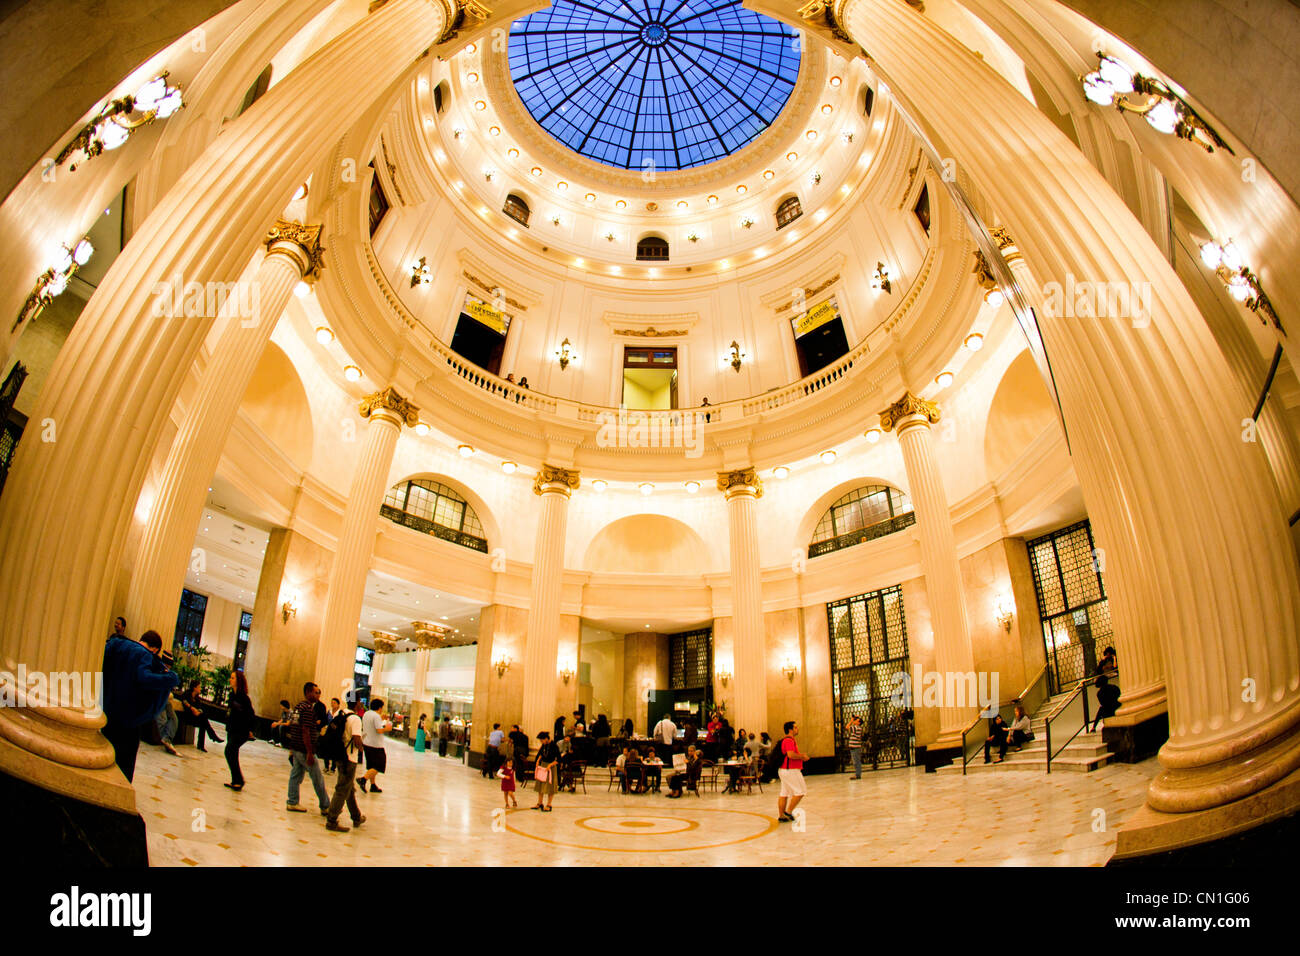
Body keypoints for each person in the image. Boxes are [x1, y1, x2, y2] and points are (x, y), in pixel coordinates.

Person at [101, 629, 180, 782]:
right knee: (125, 762)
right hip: (129, 719)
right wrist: (171, 678)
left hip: (108, 712)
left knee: (105, 753)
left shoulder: (118, 644)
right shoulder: (144, 655)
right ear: (155, 649)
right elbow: (144, 678)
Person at [285, 682, 330, 814]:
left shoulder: (299, 707)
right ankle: (325, 805)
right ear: (308, 693)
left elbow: (294, 727)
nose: (318, 695)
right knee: (317, 778)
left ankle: (292, 801)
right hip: (305, 750)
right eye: (316, 692)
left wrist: (292, 748)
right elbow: (305, 731)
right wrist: (310, 752)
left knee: (295, 775)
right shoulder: (308, 709)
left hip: (297, 748)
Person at [324, 698, 366, 833]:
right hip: (349, 757)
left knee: (349, 788)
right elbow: (357, 738)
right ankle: (332, 820)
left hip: (339, 754)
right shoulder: (355, 719)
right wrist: (361, 748)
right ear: (357, 702)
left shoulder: (340, 714)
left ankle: (356, 816)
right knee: (342, 789)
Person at [223, 670, 255, 790]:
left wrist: (249, 730)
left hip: (241, 731)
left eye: (232, 678)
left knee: (229, 751)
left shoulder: (244, 698)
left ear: (238, 681)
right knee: (232, 753)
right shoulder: (232, 695)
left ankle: (239, 780)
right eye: (230, 677)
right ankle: (236, 781)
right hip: (232, 728)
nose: (230, 680)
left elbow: (250, 715)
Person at [776, 721, 808, 823]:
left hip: (784, 770)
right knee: (801, 791)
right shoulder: (789, 741)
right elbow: (790, 755)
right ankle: (788, 812)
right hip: (791, 770)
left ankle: (781, 815)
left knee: (784, 793)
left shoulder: (786, 740)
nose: (797, 729)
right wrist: (802, 756)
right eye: (795, 727)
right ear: (790, 730)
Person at [179, 679, 223, 752]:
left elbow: (200, 708)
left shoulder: (197, 698)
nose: (200, 688)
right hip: (186, 716)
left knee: (203, 721)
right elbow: (184, 702)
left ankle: (202, 744)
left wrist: (198, 711)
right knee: (204, 719)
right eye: (199, 687)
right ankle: (212, 736)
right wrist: (192, 708)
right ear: (194, 688)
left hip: (194, 717)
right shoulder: (187, 694)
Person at [360, 697, 391, 793]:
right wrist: (387, 727)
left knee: (371, 765)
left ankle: (373, 785)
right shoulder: (376, 716)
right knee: (379, 765)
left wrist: (382, 718)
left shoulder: (367, 714)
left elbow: (372, 723)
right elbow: (379, 730)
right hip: (376, 745)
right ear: (379, 707)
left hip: (366, 743)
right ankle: (363, 779)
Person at [532, 731, 560, 811]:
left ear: (546, 739)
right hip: (543, 766)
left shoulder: (554, 746)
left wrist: (550, 765)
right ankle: (540, 803)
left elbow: (558, 759)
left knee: (549, 786)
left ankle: (549, 804)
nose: (541, 742)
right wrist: (538, 760)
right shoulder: (544, 745)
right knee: (540, 785)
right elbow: (540, 754)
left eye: (542, 740)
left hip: (551, 767)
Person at [846, 714, 865, 779]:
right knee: (856, 761)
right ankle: (857, 774)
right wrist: (856, 717)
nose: (855, 721)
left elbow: (847, 727)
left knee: (856, 761)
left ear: (859, 722)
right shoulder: (858, 728)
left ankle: (857, 775)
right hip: (855, 747)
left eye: (856, 720)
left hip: (855, 747)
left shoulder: (856, 728)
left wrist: (851, 721)